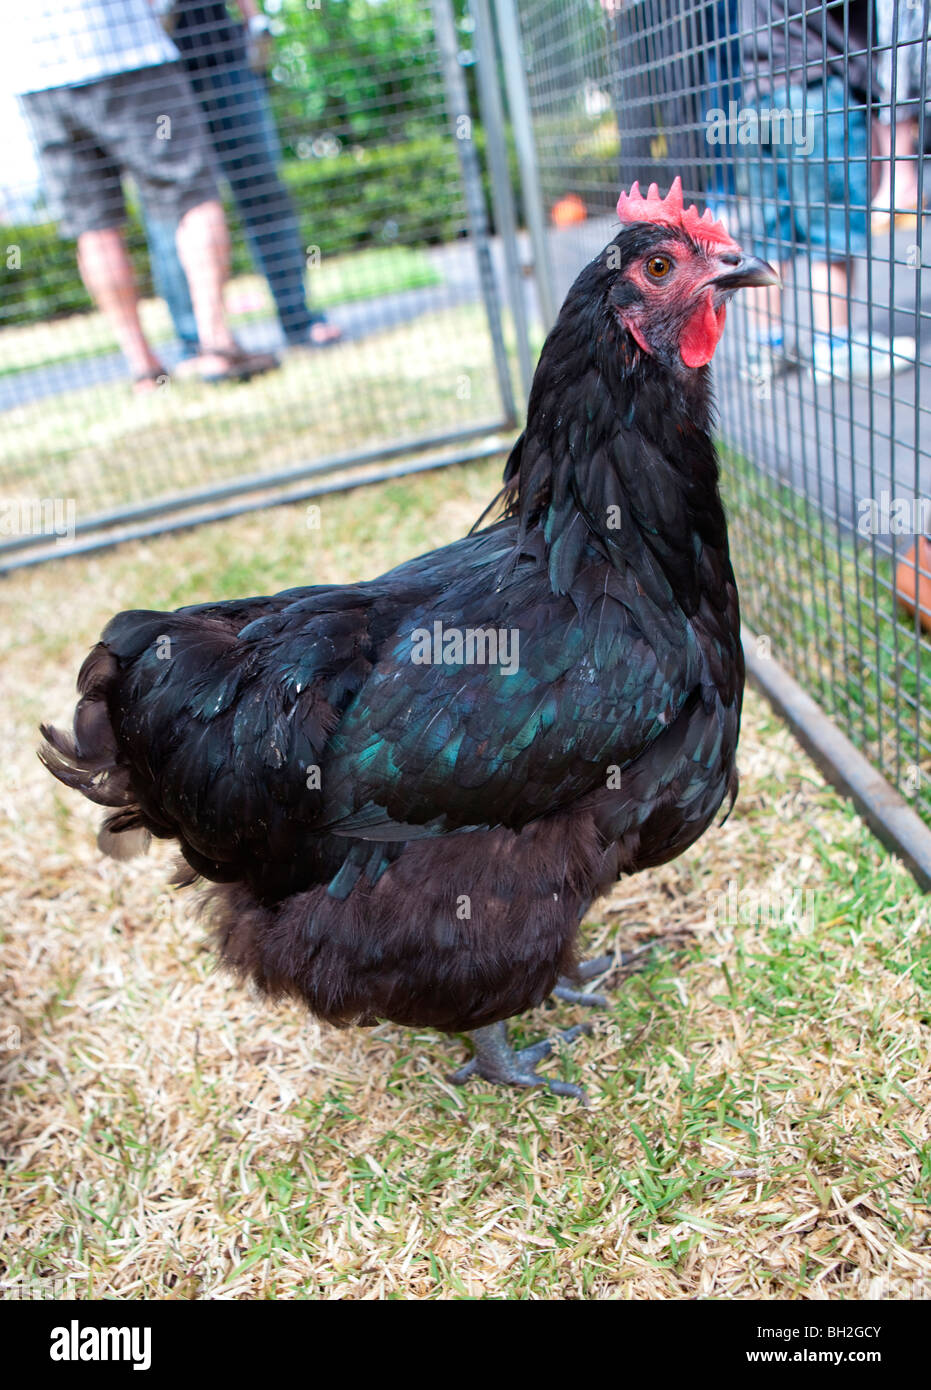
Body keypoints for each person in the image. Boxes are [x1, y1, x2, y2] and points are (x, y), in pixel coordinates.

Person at [9, 0, 279, 389]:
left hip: (38, 74)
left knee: (94, 226)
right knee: (193, 196)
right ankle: (217, 346)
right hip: (130, 57)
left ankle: (144, 369)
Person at [145, 0, 340, 358]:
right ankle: (197, 344)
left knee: (262, 188)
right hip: (152, 73)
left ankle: (298, 318)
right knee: (169, 206)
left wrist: (256, 22)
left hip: (222, 57)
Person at [737, 0, 916, 384]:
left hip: (759, 85)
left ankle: (765, 350)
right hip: (814, 78)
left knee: (768, 229)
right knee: (832, 224)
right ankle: (833, 347)